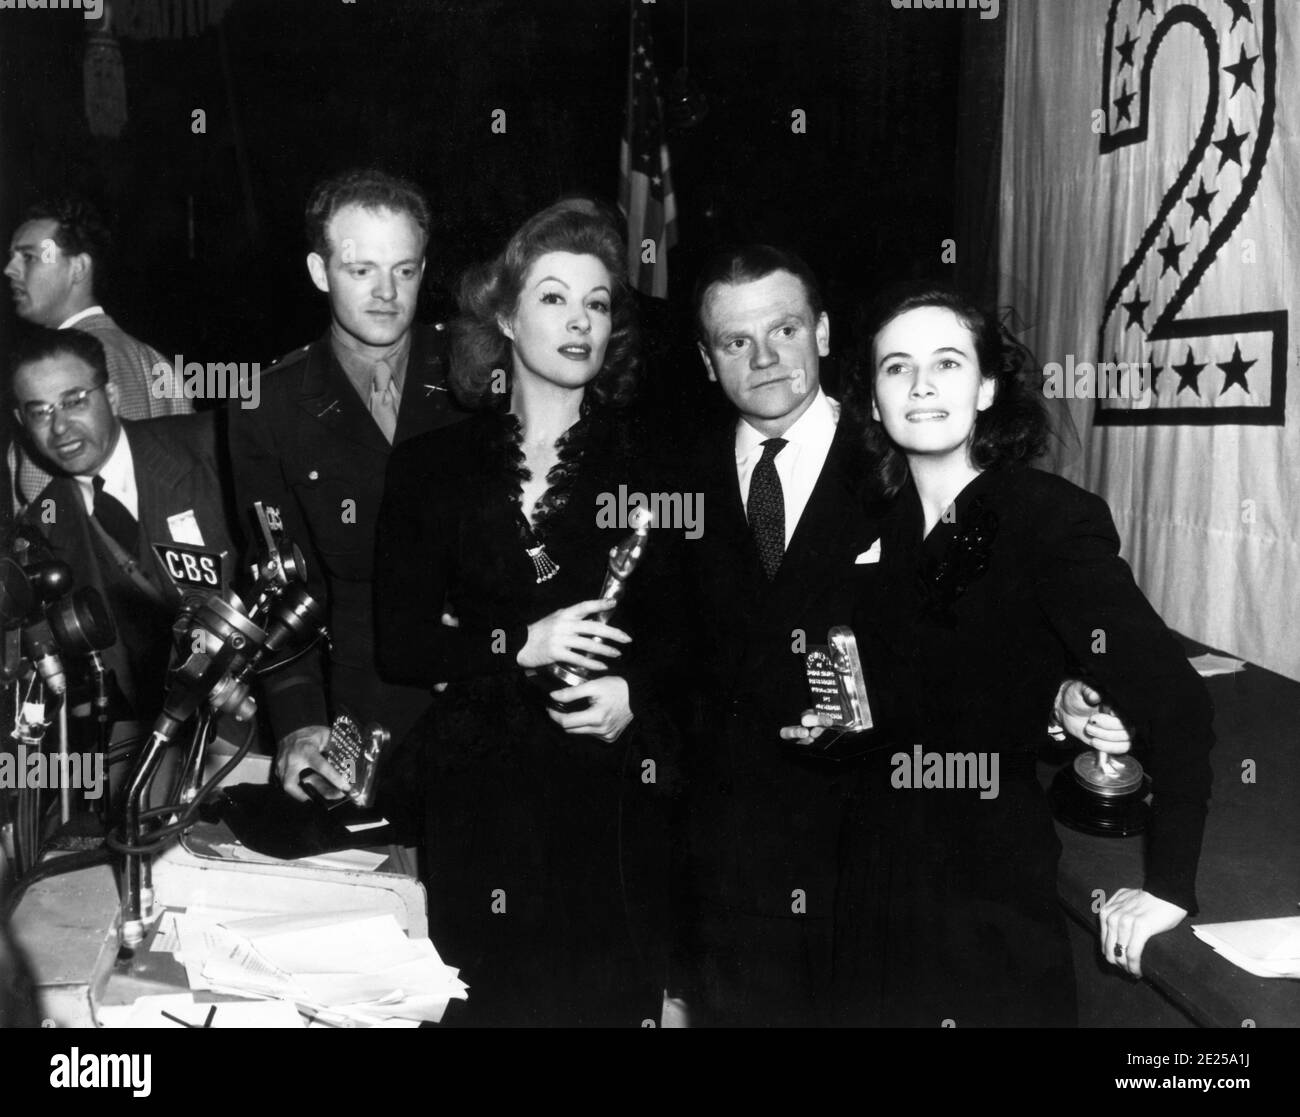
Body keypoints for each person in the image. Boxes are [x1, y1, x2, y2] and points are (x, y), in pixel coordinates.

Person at [673, 248, 1125, 1027]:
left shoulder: (914, 450)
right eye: (735, 341)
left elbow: (1000, 620)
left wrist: (1057, 694)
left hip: (887, 873)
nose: (765, 357)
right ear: (707, 359)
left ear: (822, 332)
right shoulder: (672, 477)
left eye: (784, 329)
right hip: (734, 887)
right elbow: (666, 663)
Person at [785, 286, 1215, 1026]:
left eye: (947, 363)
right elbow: (933, 684)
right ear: (874, 400)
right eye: (897, 367)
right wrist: (835, 730)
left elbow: (1176, 702)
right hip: (869, 874)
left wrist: (1169, 887)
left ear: (986, 388)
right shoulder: (873, 521)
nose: (921, 385)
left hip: (984, 885)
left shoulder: (1047, 516)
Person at [373, 199, 686, 1026]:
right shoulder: (431, 467)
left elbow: (703, 631)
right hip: (477, 789)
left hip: (609, 792)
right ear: (506, 318)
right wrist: (519, 641)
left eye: (597, 303)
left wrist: (638, 693)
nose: (580, 320)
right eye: (554, 297)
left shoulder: (660, 463)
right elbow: (402, 644)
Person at [226, 168, 464, 802]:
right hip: (362, 714)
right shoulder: (268, 406)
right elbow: (279, 579)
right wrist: (299, 718)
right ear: (319, 271)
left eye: (404, 270)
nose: (387, 292)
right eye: (361, 270)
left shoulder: (479, 375)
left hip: (488, 688)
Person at [10, 328, 235, 728]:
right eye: (40, 412)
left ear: (112, 396)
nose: (59, 427)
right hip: (174, 736)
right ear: (22, 422)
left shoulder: (212, 446)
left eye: (74, 401)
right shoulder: (43, 524)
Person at [5, 196, 189, 507]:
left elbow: (48, 515)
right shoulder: (154, 360)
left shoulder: (50, 377)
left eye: (29, 257)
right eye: (12, 257)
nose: (10, 269)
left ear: (78, 267)